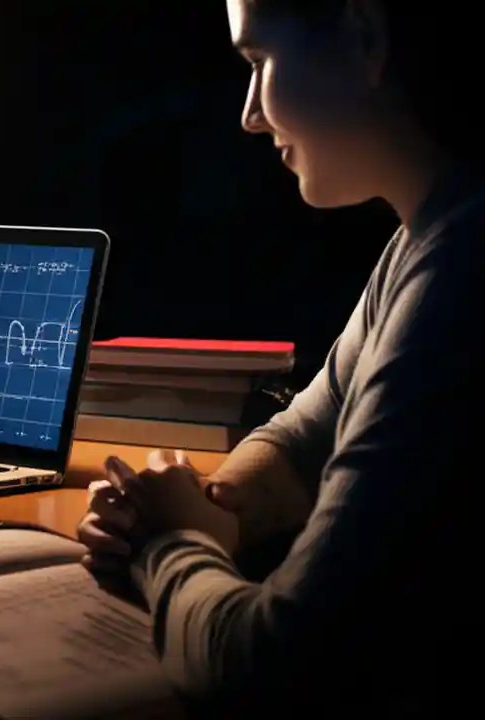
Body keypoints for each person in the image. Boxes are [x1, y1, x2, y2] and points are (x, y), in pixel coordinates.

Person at [77, 0, 479, 715]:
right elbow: (302, 438)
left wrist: (167, 544)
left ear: (364, 37)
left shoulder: (469, 273)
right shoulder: (425, 238)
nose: (249, 115)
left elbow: (274, 664)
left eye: (259, 60)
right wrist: (208, 510)